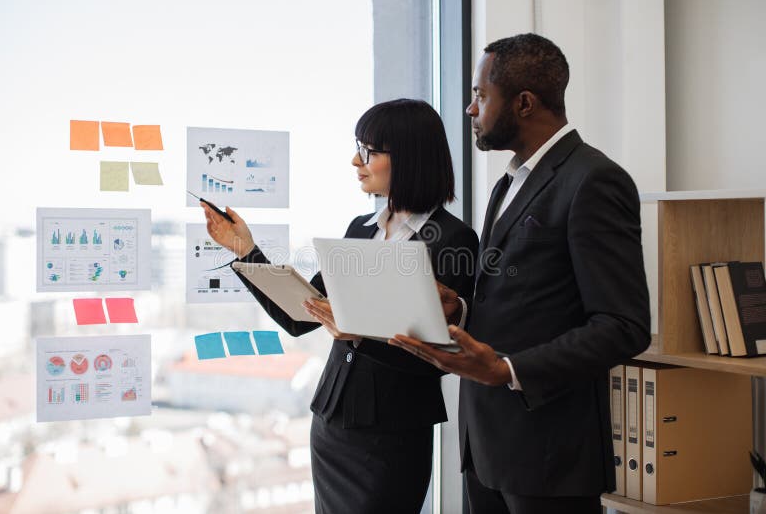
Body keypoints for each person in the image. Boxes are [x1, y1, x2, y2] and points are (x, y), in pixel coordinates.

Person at [389, 33, 651, 514]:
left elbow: (623, 326)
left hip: (549, 456)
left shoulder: (594, 179)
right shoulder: (509, 182)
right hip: (486, 446)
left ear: (524, 103)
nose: (470, 109)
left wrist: (509, 370)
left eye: (480, 95)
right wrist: (459, 309)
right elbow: (520, 300)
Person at [202, 98, 479, 514]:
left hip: (392, 433)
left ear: (409, 157)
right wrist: (246, 252)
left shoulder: (453, 240)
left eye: (369, 151)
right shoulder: (360, 229)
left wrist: (362, 333)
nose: (356, 161)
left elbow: (441, 357)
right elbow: (301, 316)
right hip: (331, 424)